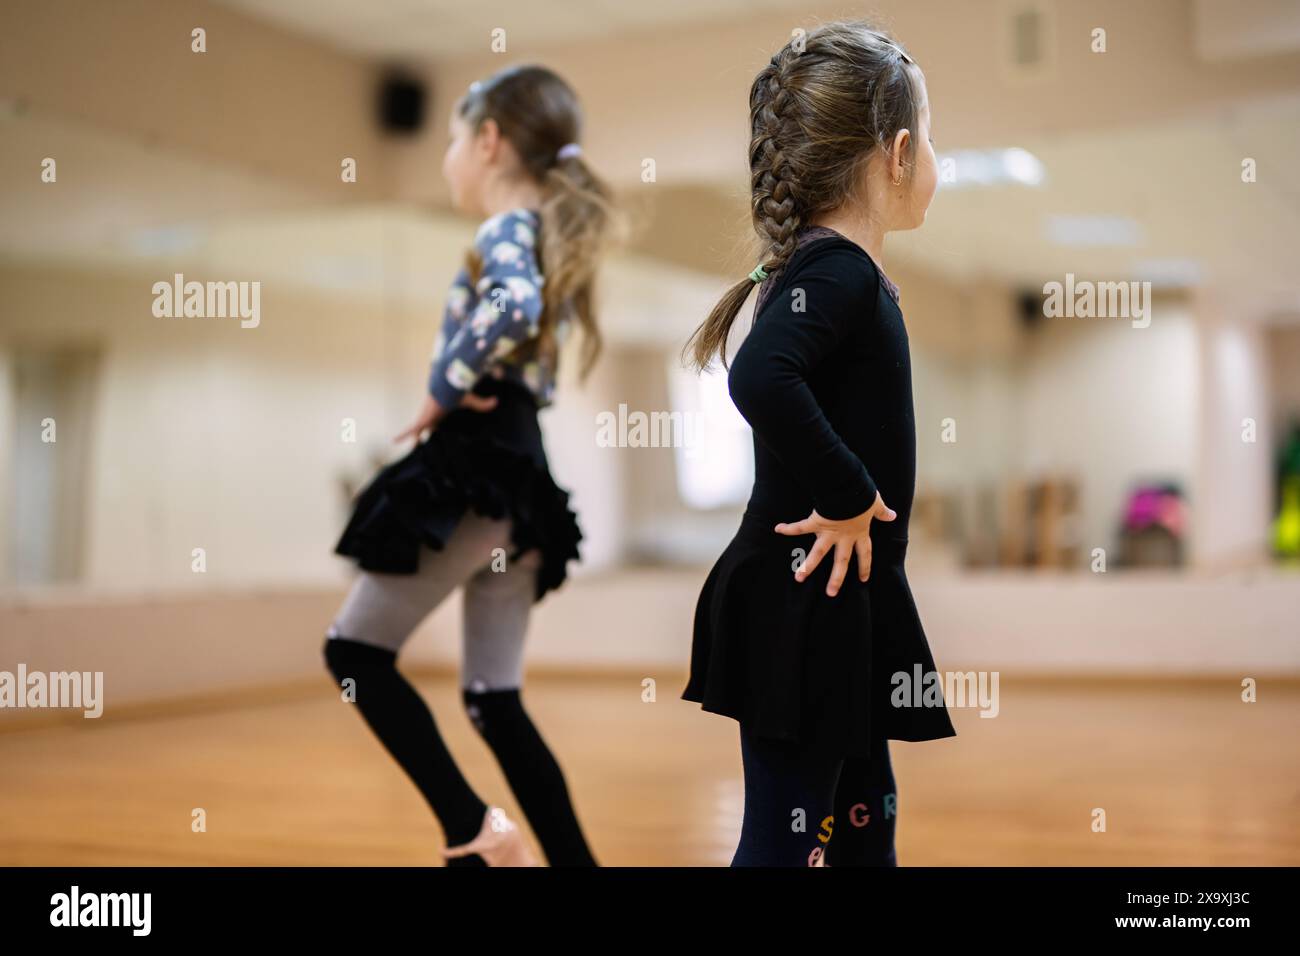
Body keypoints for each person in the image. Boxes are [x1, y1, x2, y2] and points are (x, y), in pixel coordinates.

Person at [324, 63, 616, 867]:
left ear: (488, 143)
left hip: (478, 468)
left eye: (454, 138)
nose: (448, 155)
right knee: (493, 699)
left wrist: (439, 389)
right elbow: (536, 364)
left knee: (353, 654)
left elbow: (512, 308)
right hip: (521, 474)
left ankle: (472, 832)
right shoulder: (548, 237)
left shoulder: (504, 231)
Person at [681, 21, 958, 867]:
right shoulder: (835, 270)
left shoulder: (828, 270)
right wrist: (846, 496)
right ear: (899, 153)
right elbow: (761, 380)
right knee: (784, 844)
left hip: (838, 604)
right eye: (933, 138)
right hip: (805, 604)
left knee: (863, 827)